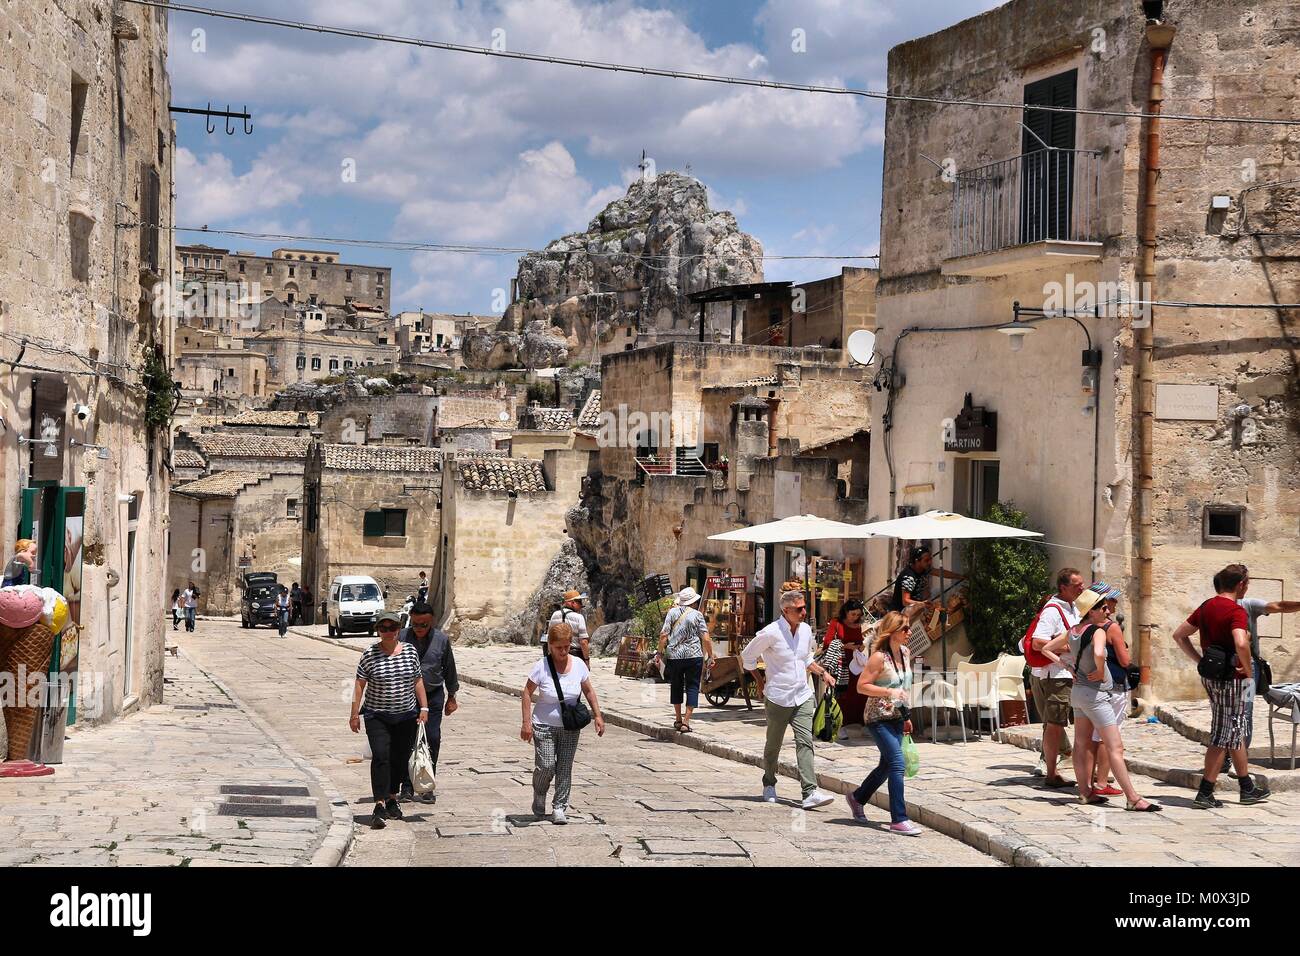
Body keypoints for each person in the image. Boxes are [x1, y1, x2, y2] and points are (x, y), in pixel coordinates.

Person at [1042, 589, 1160, 812]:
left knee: (1081, 743)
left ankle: (1085, 792)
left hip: (1078, 692)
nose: (1107, 611)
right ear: (1091, 612)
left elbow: (1046, 648)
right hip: (1096, 695)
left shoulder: (1072, 631)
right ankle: (1132, 798)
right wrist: (1098, 669)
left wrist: (1067, 666)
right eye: (1103, 607)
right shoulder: (1097, 631)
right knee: (1115, 747)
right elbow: (1098, 652)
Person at [1171, 566, 1270, 809]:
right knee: (1223, 734)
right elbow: (1240, 642)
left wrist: (1199, 659)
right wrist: (1247, 669)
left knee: (1234, 728)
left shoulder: (1206, 606)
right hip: (1232, 679)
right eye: (1247, 584)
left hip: (1211, 676)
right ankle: (1205, 792)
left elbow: (1179, 635)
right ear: (1241, 584)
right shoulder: (1236, 611)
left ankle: (1246, 787)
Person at [740, 588, 836, 809]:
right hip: (778, 697)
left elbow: (805, 659)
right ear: (786, 610)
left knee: (805, 742)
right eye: (799, 609)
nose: (804, 612)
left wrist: (823, 673)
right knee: (774, 744)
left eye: (804, 608)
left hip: (802, 694)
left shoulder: (805, 631)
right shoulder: (770, 632)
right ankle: (769, 783)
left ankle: (809, 792)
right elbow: (748, 657)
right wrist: (760, 681)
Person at [349, 611, 429, 829]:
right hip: (377, 716)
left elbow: (418, 680)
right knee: (381, 757)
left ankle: (393, 798)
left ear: (398, 629)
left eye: (392, 628)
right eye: (383, 628)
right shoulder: (369, 654)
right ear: (378, 631)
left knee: (400, 759)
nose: (388, 632)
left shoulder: (410, 652)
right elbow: (359, 685)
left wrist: (424, 707)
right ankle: (379, 803)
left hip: (406, 715)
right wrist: (354, 713)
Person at [521, 622, 605, 824]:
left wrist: (598, 715)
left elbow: (588, 690)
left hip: (570, 725)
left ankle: (559, 807)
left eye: (567, 646)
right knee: (546, 766)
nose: (563, 651)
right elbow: (526, 693)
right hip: (543, 725)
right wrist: (526, 723)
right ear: (550, 645)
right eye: (559, 647)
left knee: (565, 767)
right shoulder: (541, 666)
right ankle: (539, 793)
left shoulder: (578, 665)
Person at [846, 611, 921, 835]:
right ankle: (899, 819)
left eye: (909, 628)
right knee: (897, 764)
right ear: (892, 632)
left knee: (887, 765)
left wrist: (907, 717)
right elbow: (862, 686)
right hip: (878, 717)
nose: (909, 632)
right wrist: (889, 691)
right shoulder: (878, 657)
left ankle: (857, 797)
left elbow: (904, 689)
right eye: (905, 629)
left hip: (897, 716)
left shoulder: (906, 652)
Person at [1226, 566, 1300, 769]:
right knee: (1241, 713)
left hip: (1234, 668)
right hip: (1241, 668)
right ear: (1241, 584)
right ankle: (1234, 760)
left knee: (1239, 711)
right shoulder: (1229, 607)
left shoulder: (1247, 605)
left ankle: (1233, 757)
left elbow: (1278, 605)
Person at [1028, 567, 1083, 787]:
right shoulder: (1053, 610)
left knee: (1056, 724)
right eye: (1076, 584)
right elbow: (1038, 642)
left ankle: (1056, 770)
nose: (1081, 587)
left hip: (1066, 675)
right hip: (1056, 675)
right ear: (1063, 587)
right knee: (1054, 725)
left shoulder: (1072, 608)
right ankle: (1051, 773)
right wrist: (1069, 648)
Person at [398, 602, 459, 802]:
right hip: (407, 697)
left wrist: (452, 696)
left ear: (431, 622)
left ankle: (426, 785)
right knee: (407, 740)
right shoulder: (402, 637)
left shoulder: (441, 640)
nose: (420, 629)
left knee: (432, 738)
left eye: (424, 625)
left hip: (433, 696)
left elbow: (449, 668)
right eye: (416, 624)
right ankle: (406, 786)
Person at [1084, 583, 1130, 796]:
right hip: (1113, 686)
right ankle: (1102, 782)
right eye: (1110, 601)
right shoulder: (1110, 628)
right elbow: (1124, 660)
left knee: (1090, 736)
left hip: (1088, 687)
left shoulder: (1082, 626)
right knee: (1106, 736)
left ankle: (1087, 782)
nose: (1112, 605)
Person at [656, 587, 714, 733]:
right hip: (694, 656)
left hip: (675, 656)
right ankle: (686, 722)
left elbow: (664, 635)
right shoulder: (697, 615)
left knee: (676, 686)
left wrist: (659, 652)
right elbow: (706, 638)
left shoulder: (672, 613)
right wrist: (711, 655)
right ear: (693, 602)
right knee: (692, 686)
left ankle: (677, 718)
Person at [822, 599, 868, 737]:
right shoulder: (836, 623)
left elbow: (859, 640)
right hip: (840, 663)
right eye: (853, 614)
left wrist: (860, 646)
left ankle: (860, 723)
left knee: (859, 694)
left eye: (858, 615)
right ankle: (838, 725)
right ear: (846, 612)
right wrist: (844, 646)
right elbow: (827, 643)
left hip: (855, 664)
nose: (855, 617)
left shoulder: (857, 625)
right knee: (841, 695)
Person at [889, 545, 963, 613]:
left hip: (916, 609)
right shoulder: (909, 577)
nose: (930, 562)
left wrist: (960, 576)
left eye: (930, 559)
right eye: (926, 560)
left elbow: (940, 572)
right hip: (901, 613)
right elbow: (905, 601)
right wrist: (922, 604)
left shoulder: (923, 569)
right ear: (917, 561)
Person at [548, 589, 589, 662]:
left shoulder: (555, 615)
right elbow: (583, 642)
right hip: (575, 654)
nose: (581, 605)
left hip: (557, 654)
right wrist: (586, 660)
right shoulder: (579, 617)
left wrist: (550, 655)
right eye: (579, 602)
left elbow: (550, 637)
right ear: (573, 603)